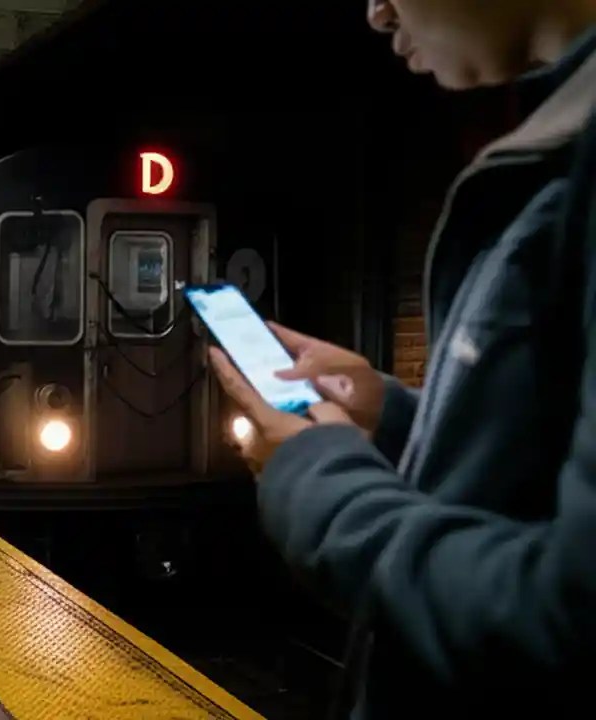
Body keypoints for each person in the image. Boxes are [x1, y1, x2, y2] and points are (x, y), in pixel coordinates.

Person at [208, 0, 596, 716]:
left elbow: (568, 620)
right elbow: (542, 468)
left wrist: (318, 485)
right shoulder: (555, 142)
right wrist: (395, 417)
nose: (377, 12)